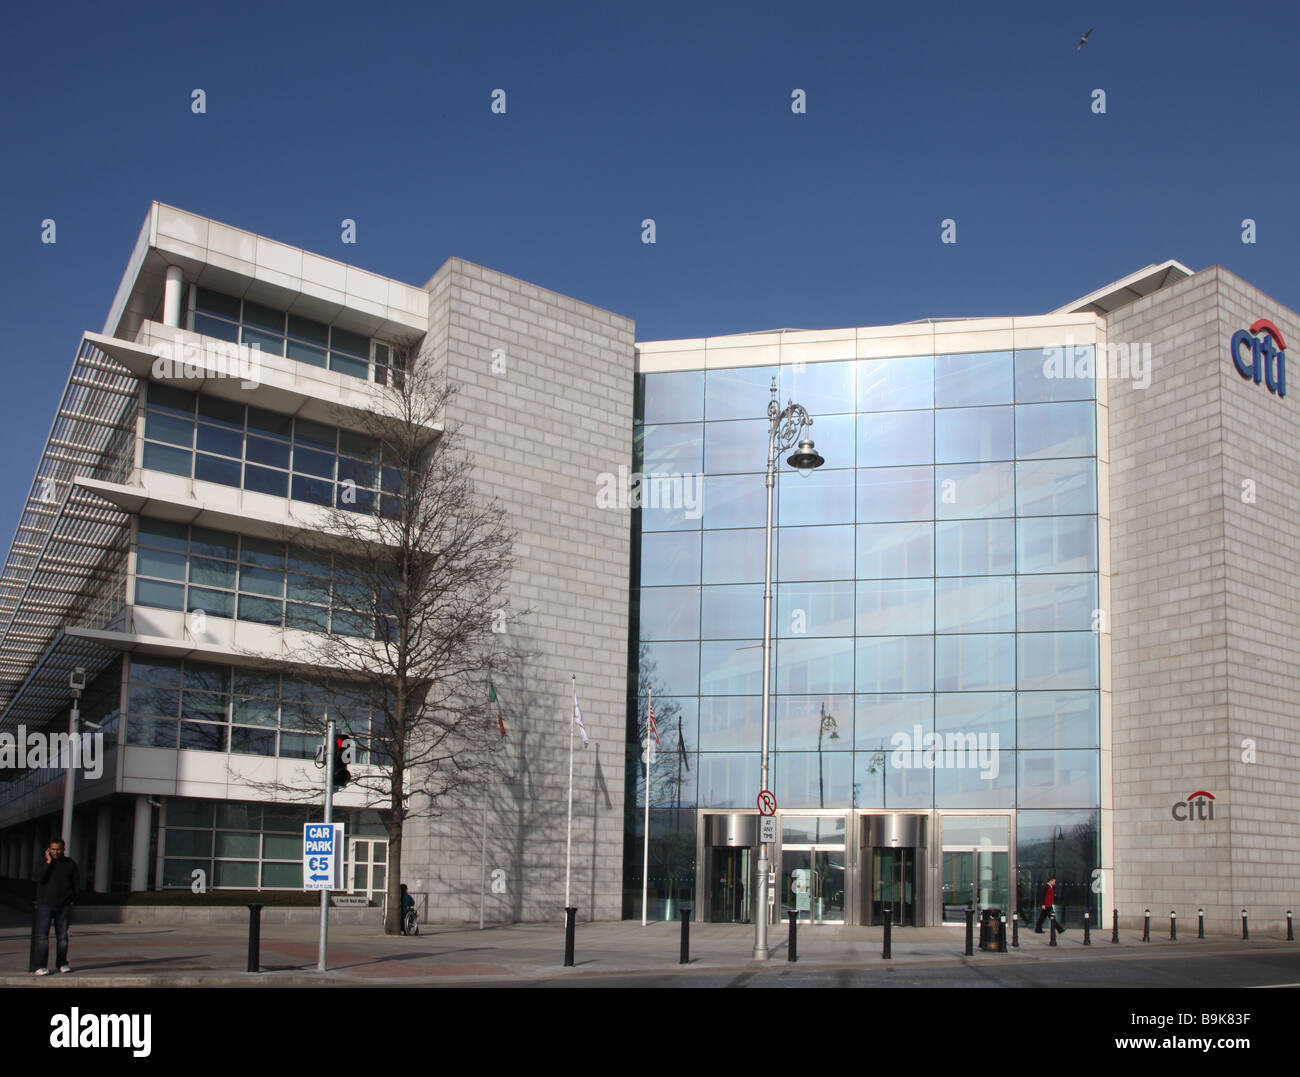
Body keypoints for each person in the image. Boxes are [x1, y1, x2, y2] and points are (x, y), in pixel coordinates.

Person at [30, 838, 79, 975]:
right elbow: (38, 878)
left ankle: (62, 963)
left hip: (63, 905)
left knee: (62, 937)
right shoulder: (42, 862)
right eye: (53, 849)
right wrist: (48, 863)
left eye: (58, 849)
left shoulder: (70, 864)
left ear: (63, 849)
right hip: (44, 905)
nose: (56, 852)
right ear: (48, 849)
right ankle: (40, 966)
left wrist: (72, 899)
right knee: (42, 937)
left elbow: (75, 883)